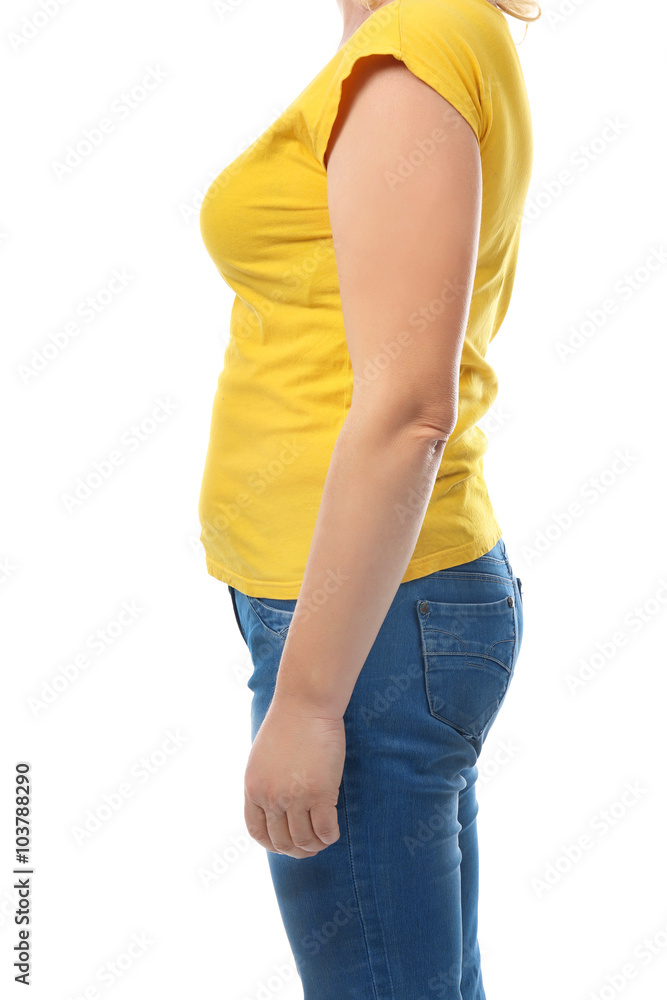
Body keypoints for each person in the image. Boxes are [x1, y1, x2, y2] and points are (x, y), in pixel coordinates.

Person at [198, 0, 539, 994]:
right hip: (372, 608)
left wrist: (307, 700)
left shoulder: (412, 53)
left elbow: (405, 412)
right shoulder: (419, 36)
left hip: (366, 626)